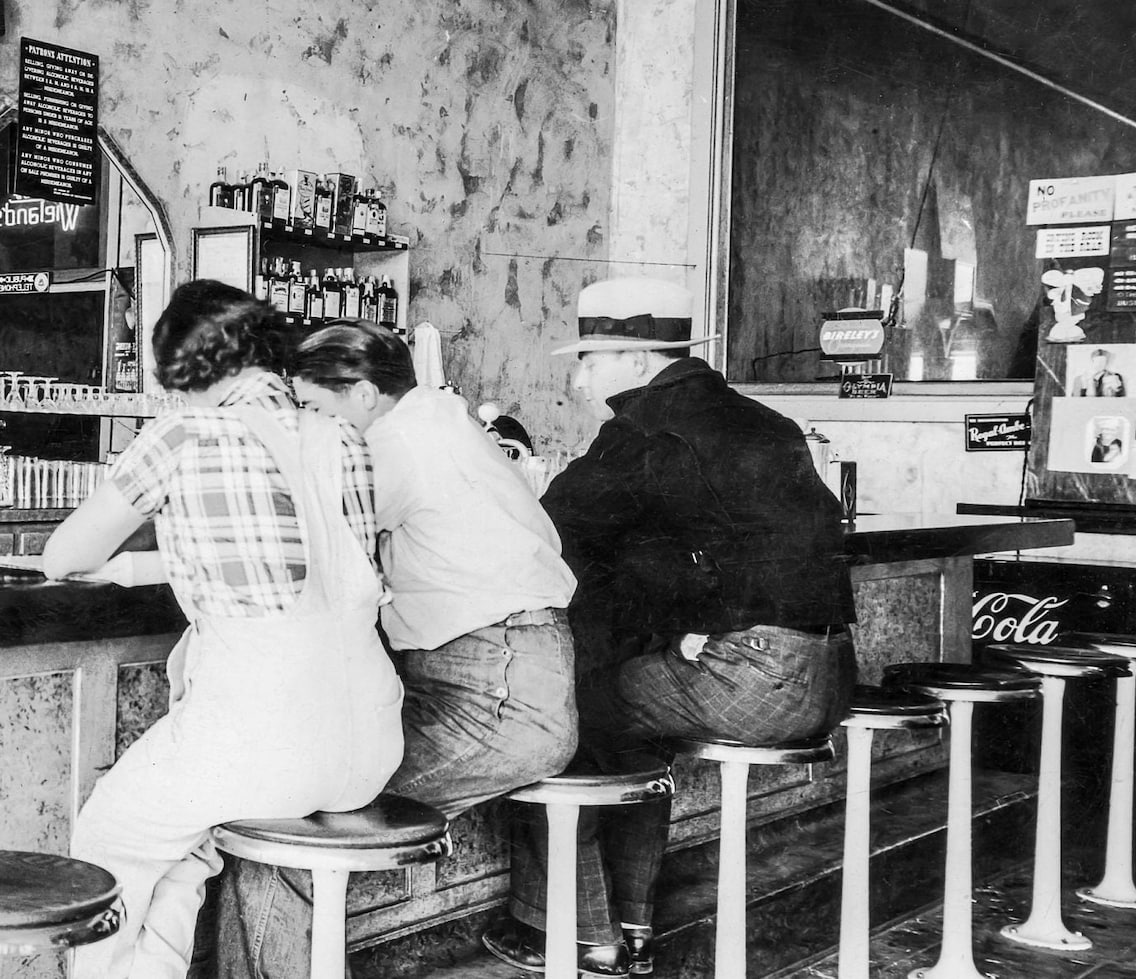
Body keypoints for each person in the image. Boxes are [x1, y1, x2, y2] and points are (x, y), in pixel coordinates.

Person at [482, 277, 857, 978]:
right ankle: (633, 924)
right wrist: (685, 620)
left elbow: (556, 525)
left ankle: (574, 931)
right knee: (627, 718)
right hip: (829, 675)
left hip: (757, 678)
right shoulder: (760, 419)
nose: (579, 375)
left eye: (589, 357)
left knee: (553, 717)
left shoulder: (644, 428)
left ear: (634, 356)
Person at [42, 281, 404, 979]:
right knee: (183, 838)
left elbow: (64, 555)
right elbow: (314, 561)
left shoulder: (184, 432)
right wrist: (144, 567)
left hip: (269, 745)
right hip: (370, 743)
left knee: (110, 832)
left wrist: (116, 561)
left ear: (185, 370)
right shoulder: (342, 436)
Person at [216, 320, 579, 977]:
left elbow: (310, 537)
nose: (310, 420)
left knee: (287, 820)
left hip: (496, 694)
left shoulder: (398, 441)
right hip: (512, 676)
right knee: (297, 806)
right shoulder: (436, 418)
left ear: (359, 393)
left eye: (315, 405)